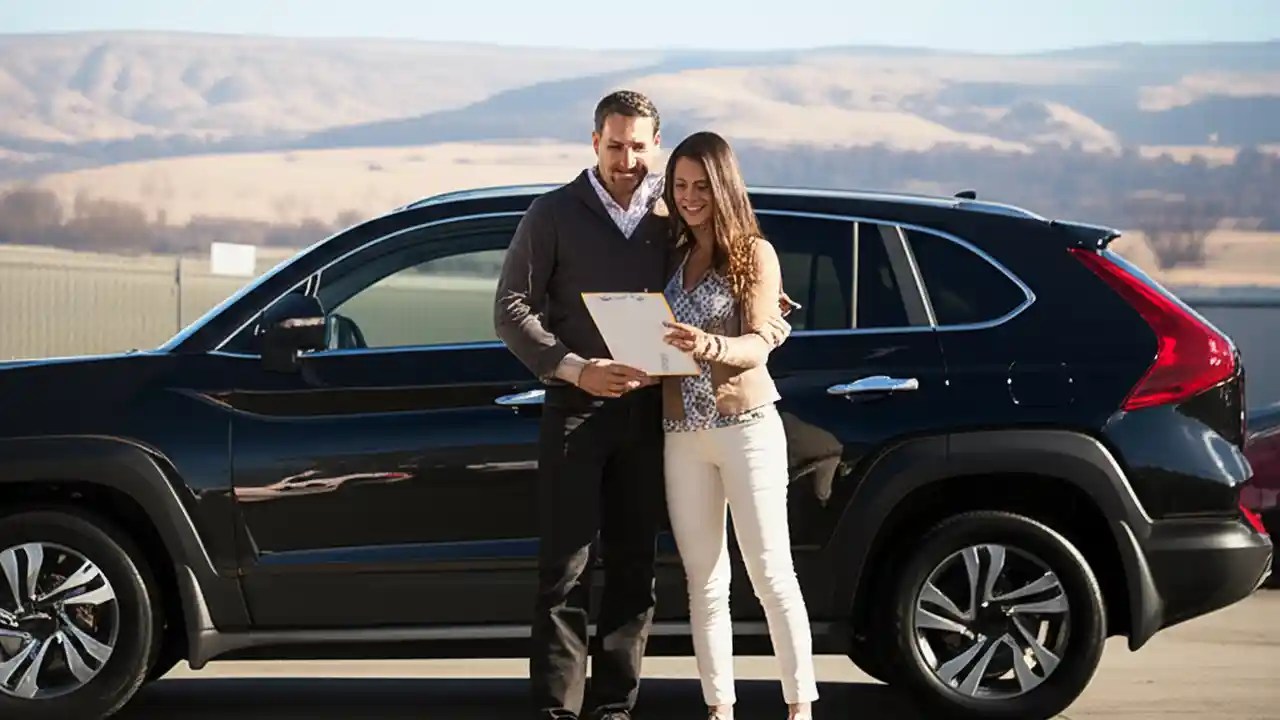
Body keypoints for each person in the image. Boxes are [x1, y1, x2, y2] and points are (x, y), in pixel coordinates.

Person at [494, 89, 670, 720]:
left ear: (657, 145)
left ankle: (615, 707)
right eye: (615, 144)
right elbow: (511, 310)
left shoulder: (678, 213)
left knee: (633, 569)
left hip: (655, 416)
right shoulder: (553, 214)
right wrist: (575, 369)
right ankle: (556, 711)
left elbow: (729, 279)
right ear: (595, 142)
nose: (627, 159)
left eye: (639, 146)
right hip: (575, 411)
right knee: (564, 572)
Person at [658, 130, 819, 720]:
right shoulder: (671, 252)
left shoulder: (754, 254)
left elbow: (757, 343)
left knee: (771, 572)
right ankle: (718, 709)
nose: (690, 197)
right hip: (682, 434)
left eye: (701, 186)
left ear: (723, 186)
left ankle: (799, 706)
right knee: (704, 581)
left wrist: (707, 343)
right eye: (680, 186)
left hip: (744, 426)